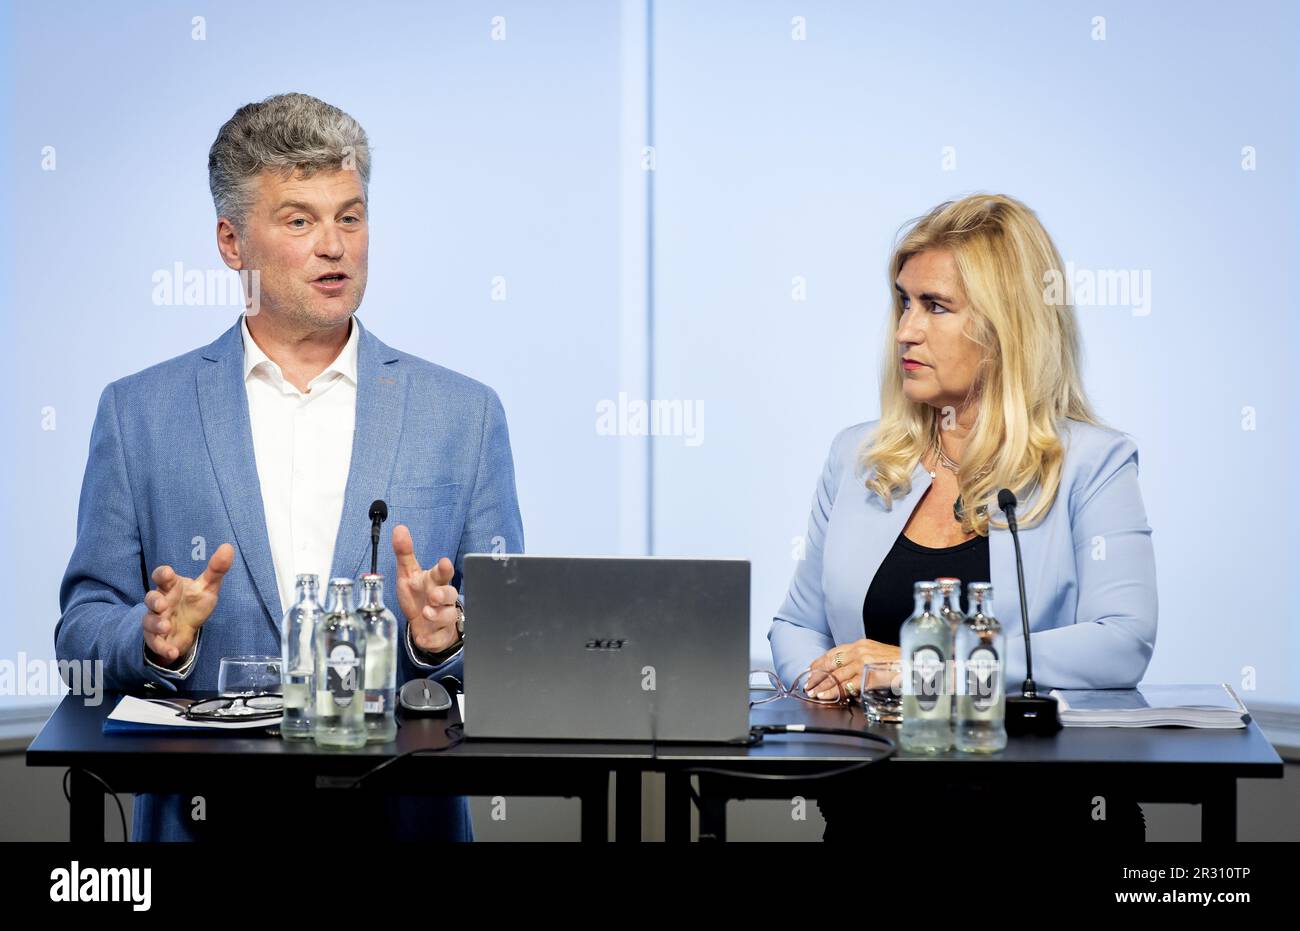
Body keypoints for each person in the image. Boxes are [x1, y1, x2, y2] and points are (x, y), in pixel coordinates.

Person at [56, 93, 523, 841]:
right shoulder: (137, 414)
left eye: (351, 215)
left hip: (401, 825)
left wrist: (441, 642)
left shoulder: (463, 415)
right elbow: (81, 630)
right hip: (204, 823)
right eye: (300, 220)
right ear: (232, 241)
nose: (334, 245)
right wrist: (151, 640)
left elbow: (515, 643)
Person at [769, 194, 1156, 842]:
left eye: (935, 306)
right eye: (903, 301)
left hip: (1043, 822)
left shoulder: (1093, 461)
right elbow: (794, 626)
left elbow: (1122, 643)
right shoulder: (859, 456)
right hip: (875, 816)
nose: (904, 331)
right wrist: (833, 672)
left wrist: (921, 669)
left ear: (1007, 326)